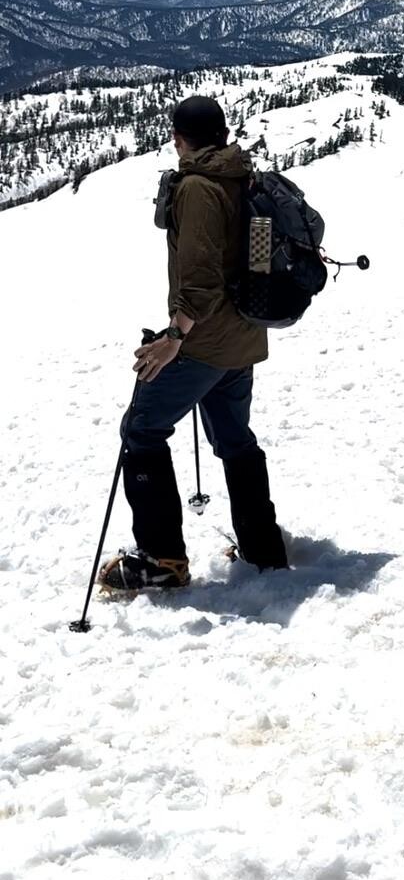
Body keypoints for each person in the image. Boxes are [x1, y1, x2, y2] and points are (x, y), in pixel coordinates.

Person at [99, 95, 288, 593]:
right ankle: (263, 546)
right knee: (234, 440)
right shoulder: (239, 173)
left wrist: (174, 338)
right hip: (245, 334)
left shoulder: (198, 187)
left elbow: (200, 278)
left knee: (141, 430)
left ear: (180, 138)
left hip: (205, 341)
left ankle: (163, 560)